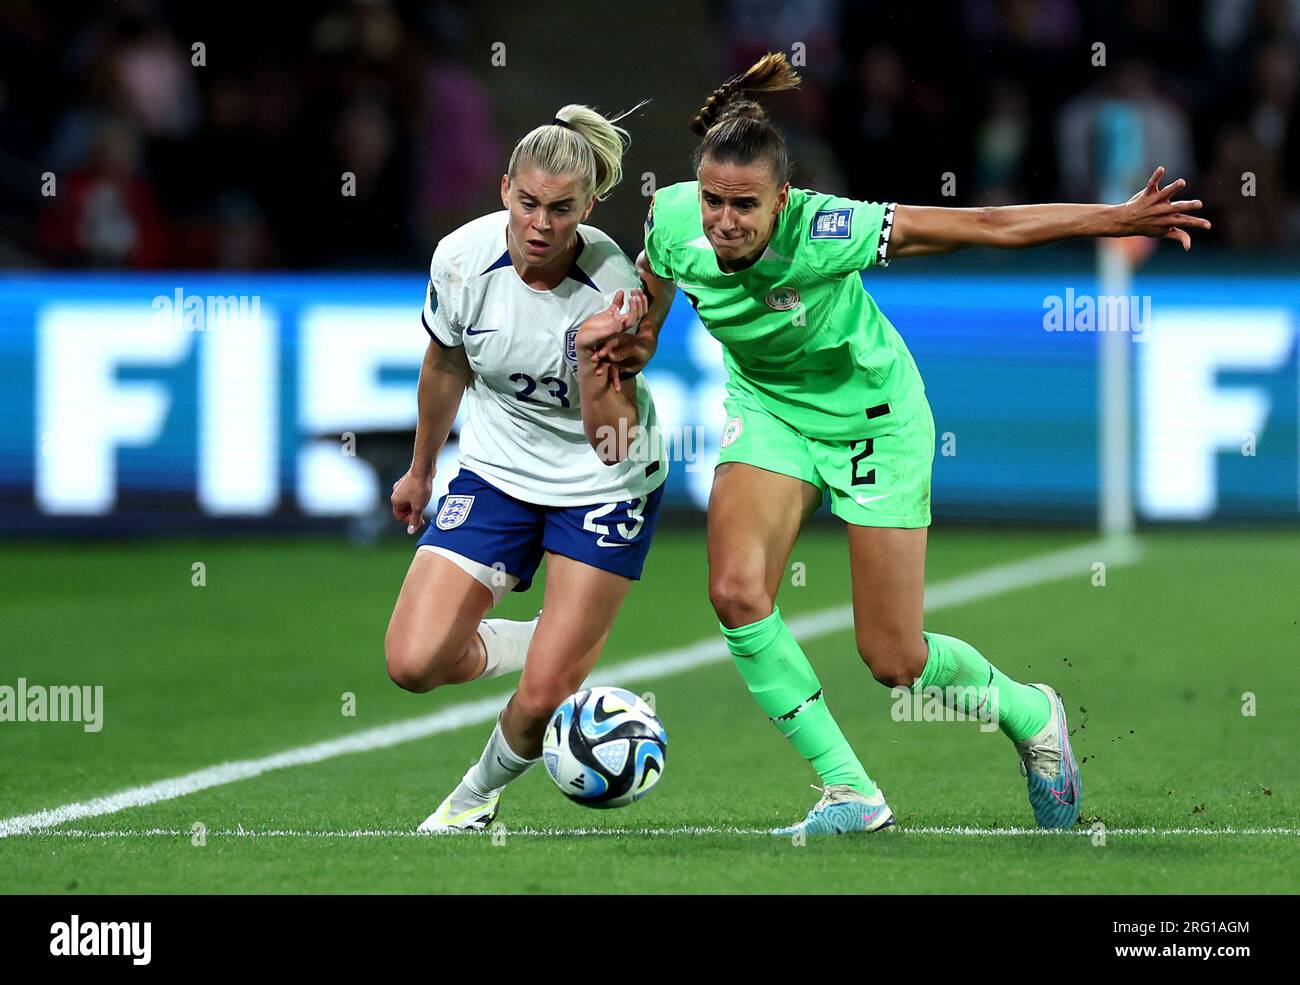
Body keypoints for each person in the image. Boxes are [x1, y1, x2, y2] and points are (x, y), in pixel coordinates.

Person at [596, 52, 1208, 835]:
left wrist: (1112, 219)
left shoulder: (827, 229)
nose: (724, 221)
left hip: (873, 418)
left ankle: (1029, 712)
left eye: (744, 204)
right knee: (736, 592)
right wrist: (625, 343)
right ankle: (850, 790)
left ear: (783, 198)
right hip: (772, 409)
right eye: (714, 200)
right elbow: (647, 325)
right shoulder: (673, 220)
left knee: (893, 659)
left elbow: (984, 225)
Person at [385, 103, 666, 832]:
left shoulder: (616, 288)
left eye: (562, 209)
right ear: (505, 186)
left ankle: (472, 799)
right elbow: (445, 362)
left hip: (605, 481)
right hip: (498, 470)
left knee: (544, 696)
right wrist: (421, 470)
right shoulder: (459, 257)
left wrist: (587, 356)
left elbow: (612, 442)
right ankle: (547, 635)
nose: (541, 223)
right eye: (528, 201)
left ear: (589, 206)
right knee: (413, 662)